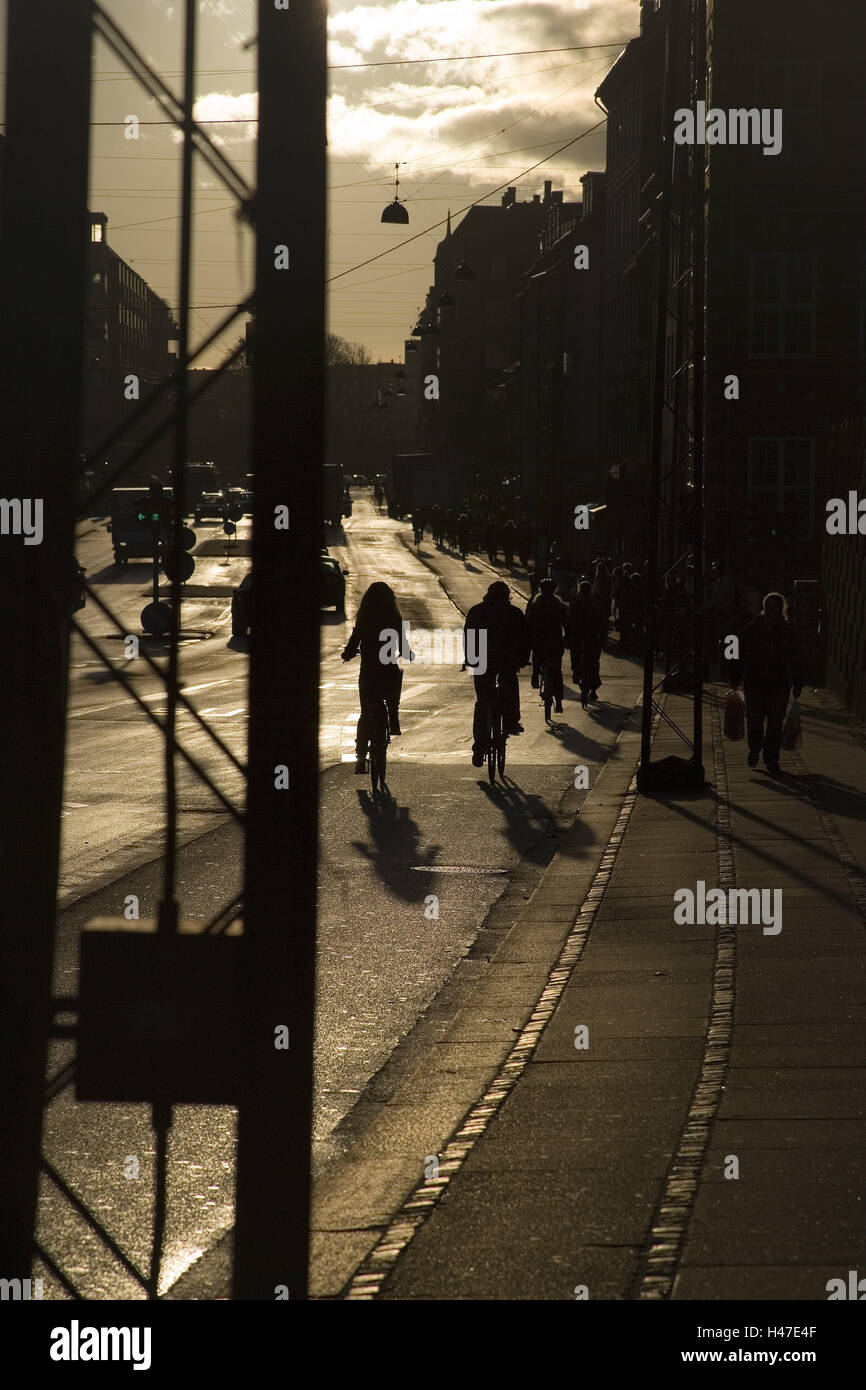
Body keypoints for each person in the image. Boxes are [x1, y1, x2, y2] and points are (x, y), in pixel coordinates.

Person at [341, 581, 410, 774]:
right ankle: (393, 720)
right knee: (393, 692)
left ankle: (361, 758)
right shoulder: (394, 617)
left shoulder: (365, 617)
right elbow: (403, 645)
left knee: (365, 713)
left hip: (369, 672)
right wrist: (407, 653)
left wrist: (347, 654)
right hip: (387, 670)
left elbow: (354, 641)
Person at [731, 591, 803, 774]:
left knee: (775, 723)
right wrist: (734, 675)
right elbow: (736, 652)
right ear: (764, 608)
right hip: (755, 681)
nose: (771, 611)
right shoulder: (752, 628)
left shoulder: (786, 631)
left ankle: (771, 759)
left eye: (775, 608)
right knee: (754, 720)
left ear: (781, 610)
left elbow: (796, 657)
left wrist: (798, 681)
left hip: (779, 683)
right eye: (769, 607)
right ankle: (755, 749)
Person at [464, 580, 530, 766]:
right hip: (506, 660)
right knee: (510, 686)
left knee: (482, 702)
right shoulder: (515, 613)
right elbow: (525, 639)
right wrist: (523, 660)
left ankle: (479, 747)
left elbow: (468, 636)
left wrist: (470, 658)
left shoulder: (476, 611)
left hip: (481, 662)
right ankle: (512, 721)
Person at [526, 577, 571, 713]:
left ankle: (535, 677)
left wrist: (527, 637)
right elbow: (567, 622)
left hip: (539, 640)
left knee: (537, 659)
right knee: (556, 671)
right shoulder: (558, 604)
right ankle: (558, 701)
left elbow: (528, 622)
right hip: (555, 642)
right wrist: (568, 636)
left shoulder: (536, 603)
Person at [569, 579, 607, 707]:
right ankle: (594, 689)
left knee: (576, 659)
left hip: (578, 637)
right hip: (592, 637)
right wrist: (603, 636)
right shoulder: (596, 604)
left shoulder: (575, 604)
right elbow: (602, 621)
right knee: (594, 662)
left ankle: (576, 675)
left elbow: (569, 623)